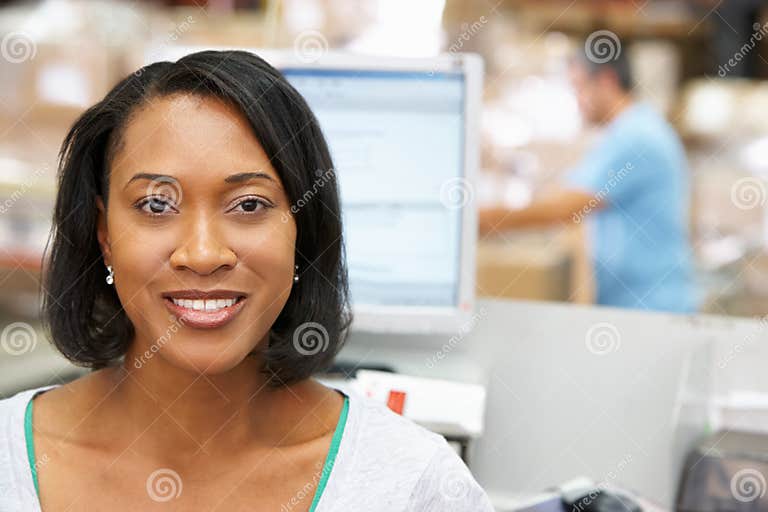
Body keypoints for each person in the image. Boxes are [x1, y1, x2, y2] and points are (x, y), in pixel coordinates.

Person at [0, 50, 494, 511]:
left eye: (250, 205)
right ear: (104, 234)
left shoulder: (411, 484)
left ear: (304, 228)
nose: (203, 254)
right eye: (156, 205)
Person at [479, 45, 696, 313]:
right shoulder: (628, 131)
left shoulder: (636, 137)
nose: (578, 100)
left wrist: (481, 220)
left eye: (579, 87)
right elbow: (570, 189)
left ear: (606, 81)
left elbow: (565, 208)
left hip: (650, 307)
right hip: (634, 304)